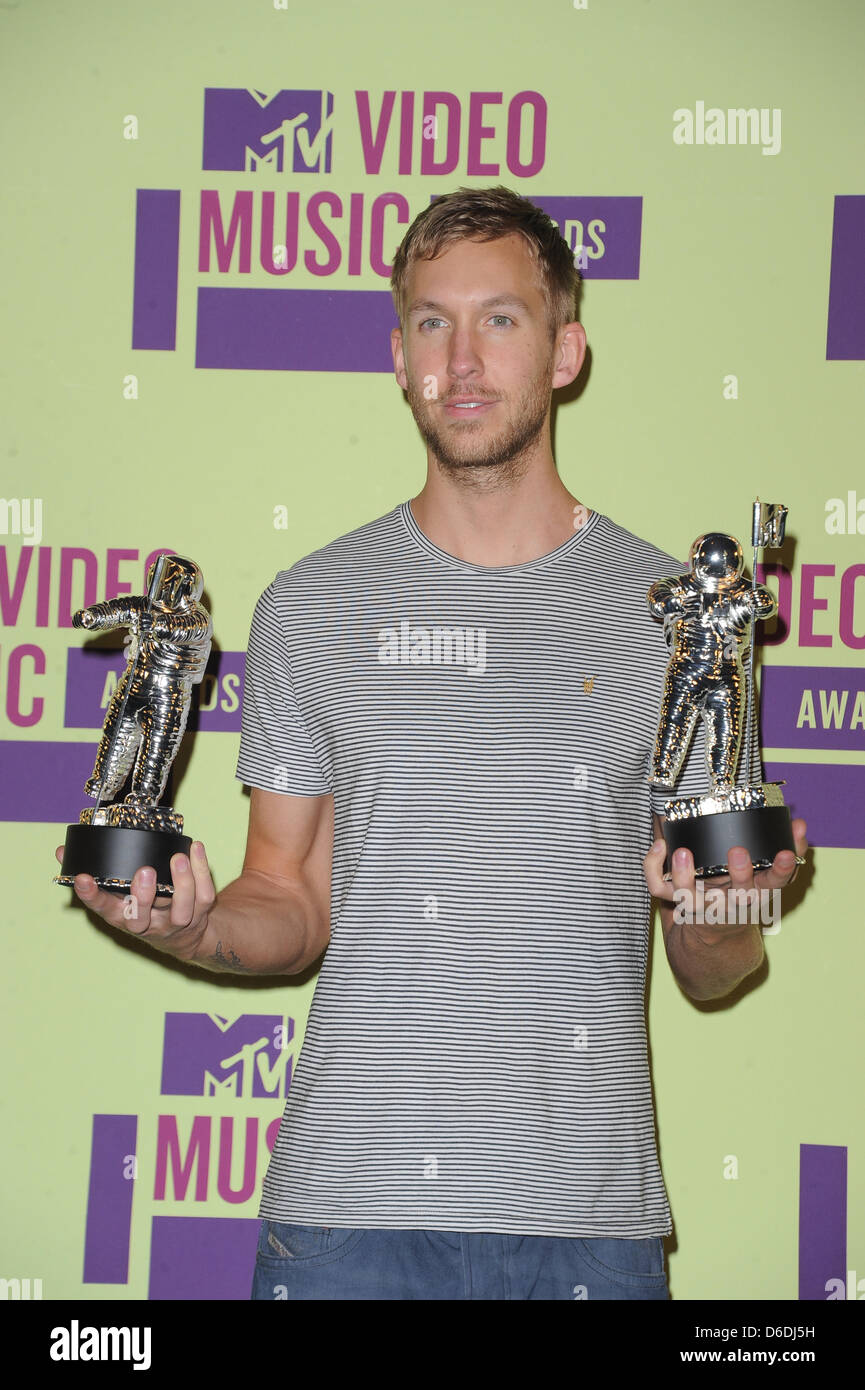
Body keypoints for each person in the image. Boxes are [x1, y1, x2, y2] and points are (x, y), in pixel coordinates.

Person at [56, 185, 807, 1301]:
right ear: (398, 354)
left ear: (565, 351)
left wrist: (728, 912)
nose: (461, 360)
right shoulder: (308, 607)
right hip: (345, 1225)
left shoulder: (670, 617)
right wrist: (193, 924)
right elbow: (290, 902)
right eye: (431, 322)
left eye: (499, 320)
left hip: (586, 1228)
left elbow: (716, 965)